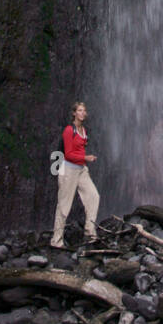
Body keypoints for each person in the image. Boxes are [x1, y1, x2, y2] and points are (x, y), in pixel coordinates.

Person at [51, 101, 99, 250]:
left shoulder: (83, 130)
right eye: (79, 110)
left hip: (81, 170)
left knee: (93, 196)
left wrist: (83, 160)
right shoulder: (68, 130)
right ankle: (56, 241)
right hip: (68, 169)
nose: (82, 113)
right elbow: (69, 154)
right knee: (64, 205)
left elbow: (79, 151)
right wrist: (86, 158)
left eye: (84, 110)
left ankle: (90, 233)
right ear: (74, 113)